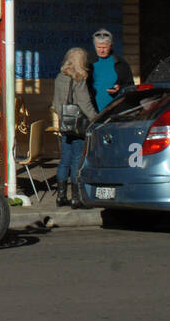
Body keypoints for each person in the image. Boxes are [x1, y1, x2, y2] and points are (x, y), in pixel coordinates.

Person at [53, 47, 98, 207]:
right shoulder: (80, 78)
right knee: (77, 159)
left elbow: (56, 104)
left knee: (64, 159)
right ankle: (76, 197)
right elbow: (84, 103)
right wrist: (95, 118)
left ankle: (60, 196)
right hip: (79, 126)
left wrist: (63, 117)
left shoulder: (59, 77)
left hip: (64, 124)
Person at [89, 28, 134, 111]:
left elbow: (130, 85)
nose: (101, 50)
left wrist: (119, 88)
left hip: (115, 110)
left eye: (104, 47)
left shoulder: (121, 63)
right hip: (92, 111)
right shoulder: (88, 62)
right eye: (98, 47)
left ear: (111, 46)